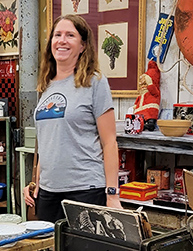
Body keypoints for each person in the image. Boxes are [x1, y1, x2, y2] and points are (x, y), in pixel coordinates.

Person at [24, 13, 122, 223]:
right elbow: (47, 141)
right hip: (48, 192)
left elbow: (109, 142)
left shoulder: (95, 82)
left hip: (85, 190)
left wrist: (112, 194)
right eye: (57, 35)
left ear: (83, 45)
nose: (62, 40)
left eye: (70, 35)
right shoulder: (46, 86)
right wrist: (36, 182)